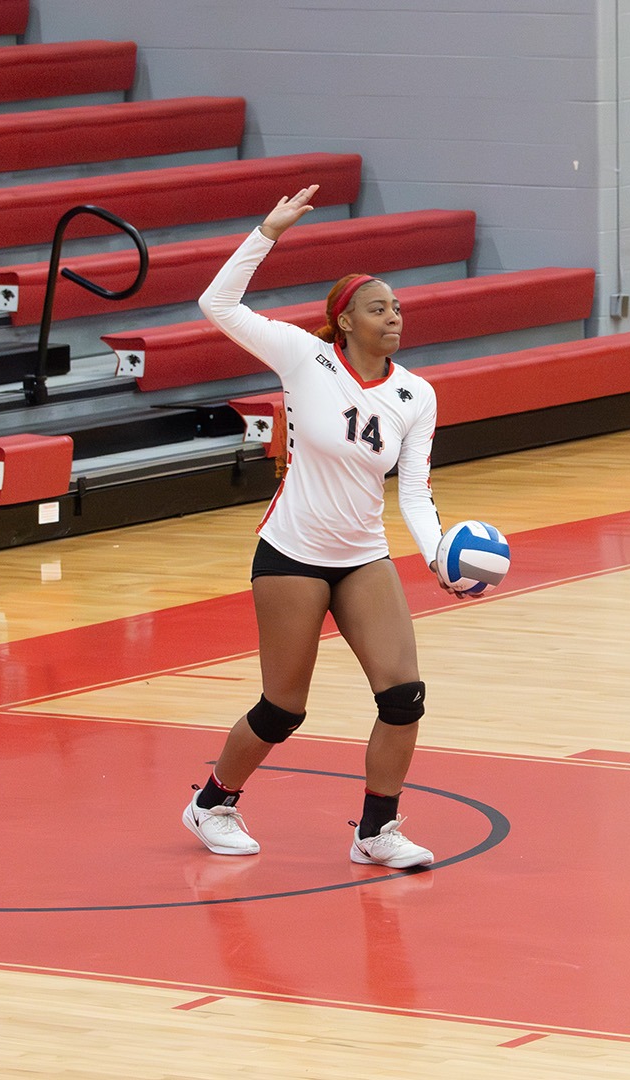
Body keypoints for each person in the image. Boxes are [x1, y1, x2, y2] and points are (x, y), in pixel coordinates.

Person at [181, 184, 473, 868]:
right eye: (379, 309)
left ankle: (377, 831)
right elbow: (217, 305)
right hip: (292, 552)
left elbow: (416, 492)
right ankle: (212, 803)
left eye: (398, 307)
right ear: (344, 322)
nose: (394, 317)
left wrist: (437, 555)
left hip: (362, 555)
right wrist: (267, 232)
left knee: (404, 695)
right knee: (283, 708)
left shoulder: (416, 394)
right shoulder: (302, 358)